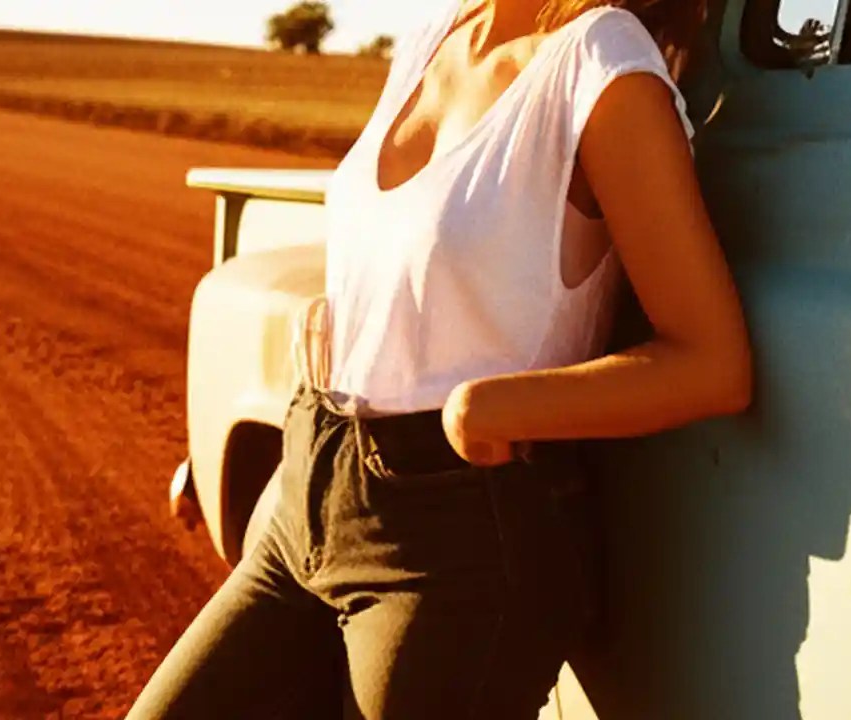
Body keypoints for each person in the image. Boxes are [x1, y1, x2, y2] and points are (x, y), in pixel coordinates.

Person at [127, 0, 751, 717]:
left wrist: (491, 407)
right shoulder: (434, 36)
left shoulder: (603, 64)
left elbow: (713, 361)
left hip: (458, 540)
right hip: (314, 490)